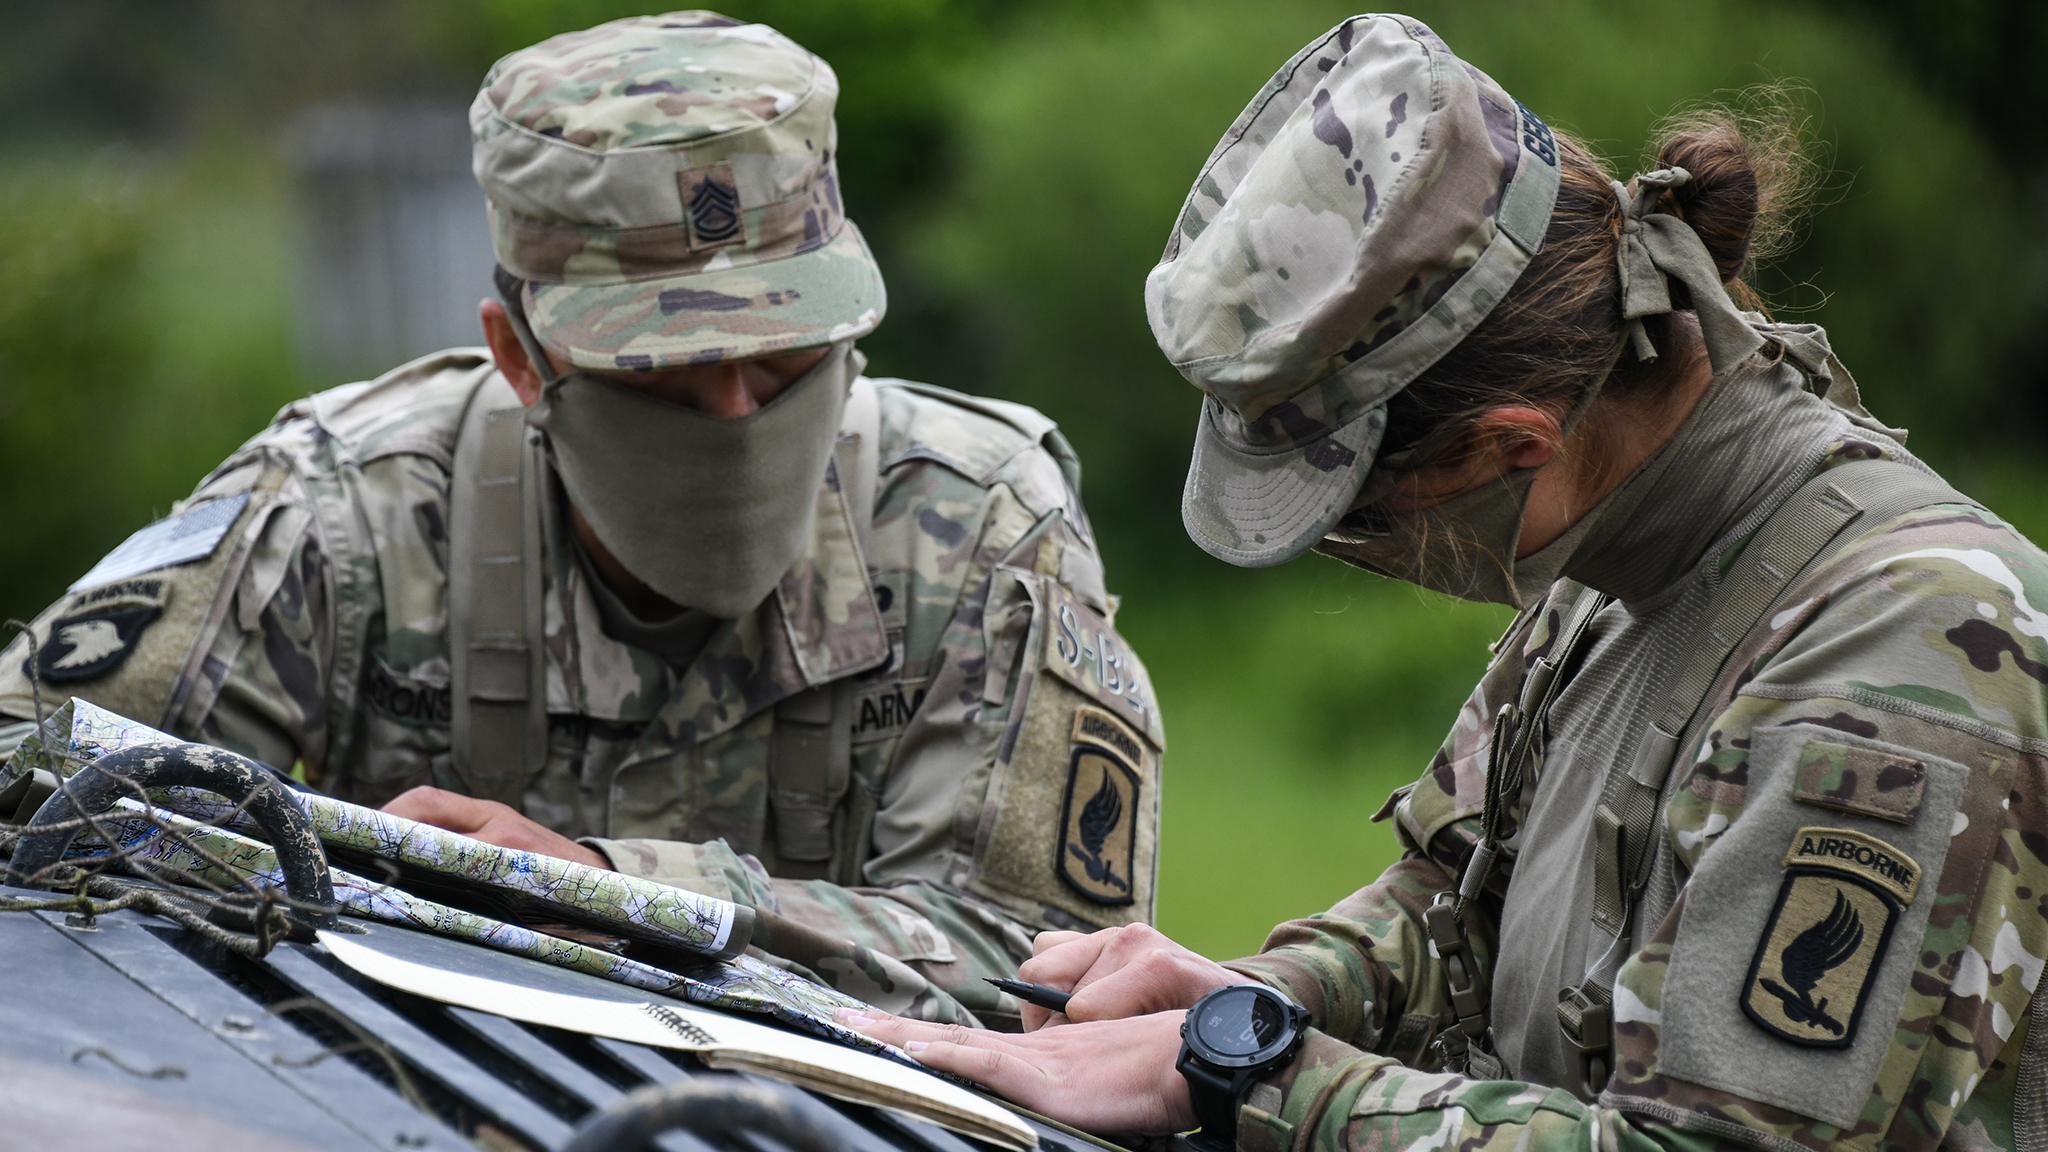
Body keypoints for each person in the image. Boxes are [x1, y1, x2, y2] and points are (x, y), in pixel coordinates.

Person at [848, 12, 2048, 1150]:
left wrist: (1235, 1076)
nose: (1375, 554)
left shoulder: (1909, 656)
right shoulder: (1610, 548)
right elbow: (1450, 902)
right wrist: (1250, 999)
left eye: (1360, 516)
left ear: (1506, 446)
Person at [0, 12, 1166, 1031]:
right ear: (519, 355)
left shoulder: (975, 526)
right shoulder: (349, 512)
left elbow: (1051, 981)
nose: (734, 414)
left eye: (787, 358)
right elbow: (34, 790)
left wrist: (601, 893)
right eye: (663, 373)